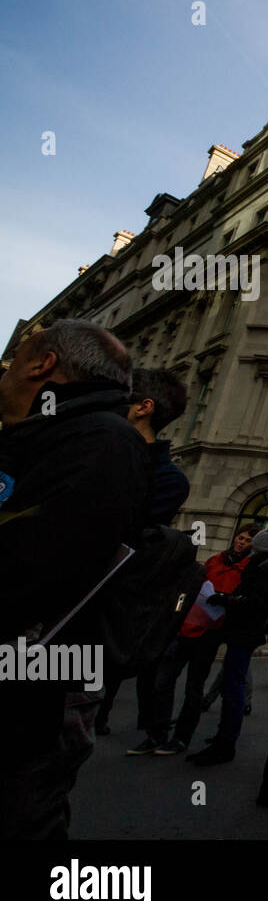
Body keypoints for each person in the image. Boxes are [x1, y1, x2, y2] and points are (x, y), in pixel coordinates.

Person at [0, 319, 150, 839]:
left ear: (43, 365)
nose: (5, 371)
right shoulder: (40, 436)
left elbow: (41, 565)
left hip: (35, 684)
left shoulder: (103, 440)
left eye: (14, 359)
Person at [96, 367, 192, 736]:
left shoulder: (165, 480)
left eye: (120, 400)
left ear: (143, 407)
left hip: (79, 627)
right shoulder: (93, 448)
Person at [130, 526, 256, 756]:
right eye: (240, 537)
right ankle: (156, 734)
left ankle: (180, 738)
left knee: (194, 688)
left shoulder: (248, 569)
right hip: (187, 626)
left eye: (247, 540)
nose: (241, 543)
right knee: (163, 682)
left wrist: (224, 601)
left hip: (210, 632)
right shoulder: (215, 560)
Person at [188, 527, 268, 766]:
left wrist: (225, 599)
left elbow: (254, 602)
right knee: (232, 682)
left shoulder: (265, 568)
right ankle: (224, 737)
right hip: (244, 632)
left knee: (234, 686)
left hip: (244, 632)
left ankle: (226, 742)